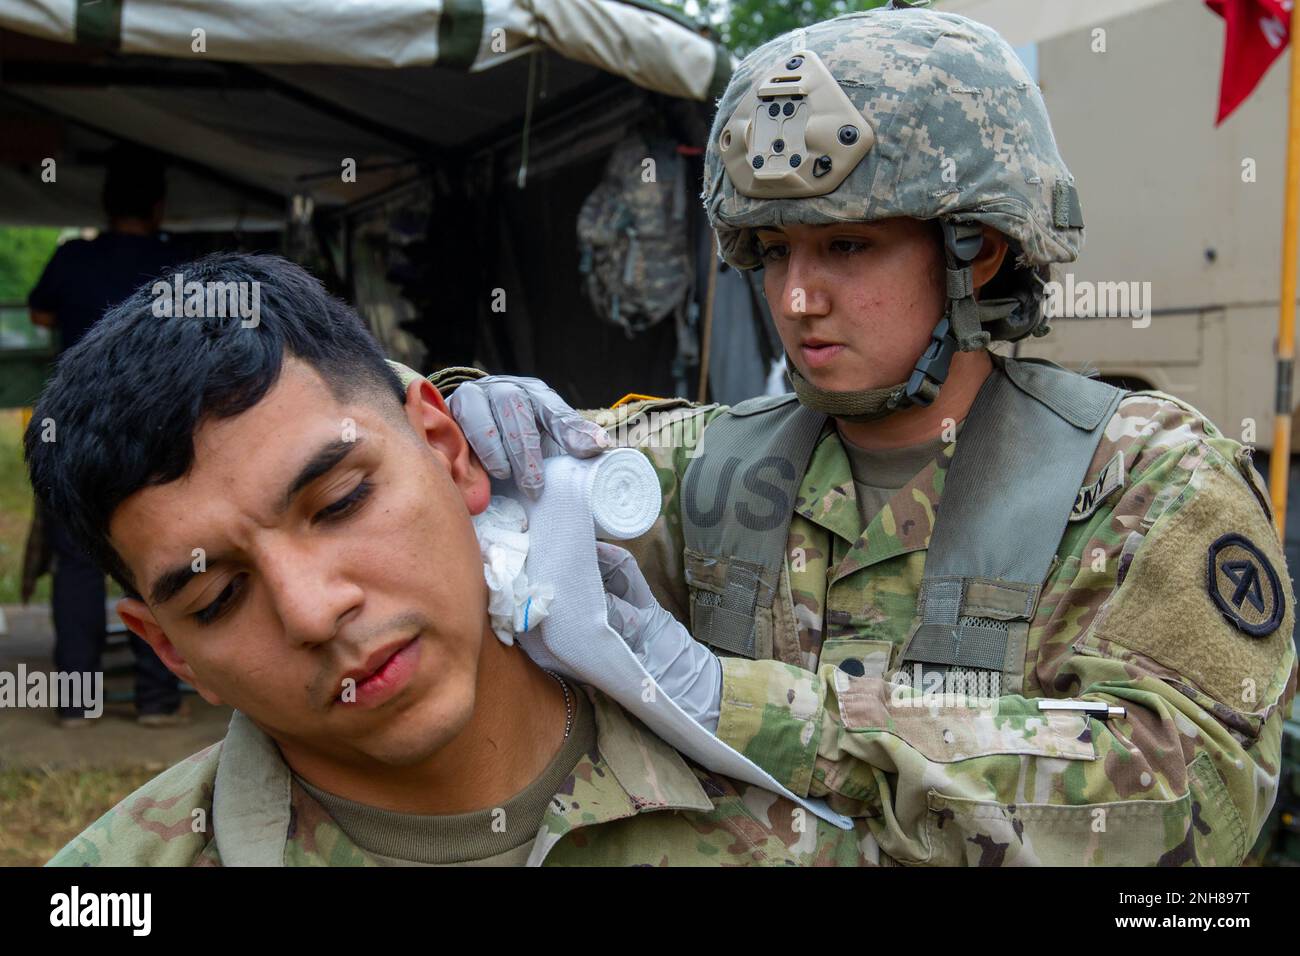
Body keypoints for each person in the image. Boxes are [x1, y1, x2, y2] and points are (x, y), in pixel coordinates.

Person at [446, 5, 1299, 865]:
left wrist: (749, 710)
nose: (796, 299)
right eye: (776, 251)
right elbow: (375, 455)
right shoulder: (700, 462)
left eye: (847, 246)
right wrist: (461, 413)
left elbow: (1187, 802)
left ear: (982, 251)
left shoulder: (1144, 483)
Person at [34, 252, 868, 867]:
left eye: (339, 504)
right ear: (172, 652)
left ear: (449, 448)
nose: (312, 609)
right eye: (216, 596)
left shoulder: (803, 806)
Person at [28, 145, 185, 727]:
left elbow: (42, 315)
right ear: (159, 206)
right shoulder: (180, 265)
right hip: (157, 430)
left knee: (76, 565)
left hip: (72, 425)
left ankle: (75, 703)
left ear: (104, 202)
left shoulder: (73, 257)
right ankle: (158, 699)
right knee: (156, 558)